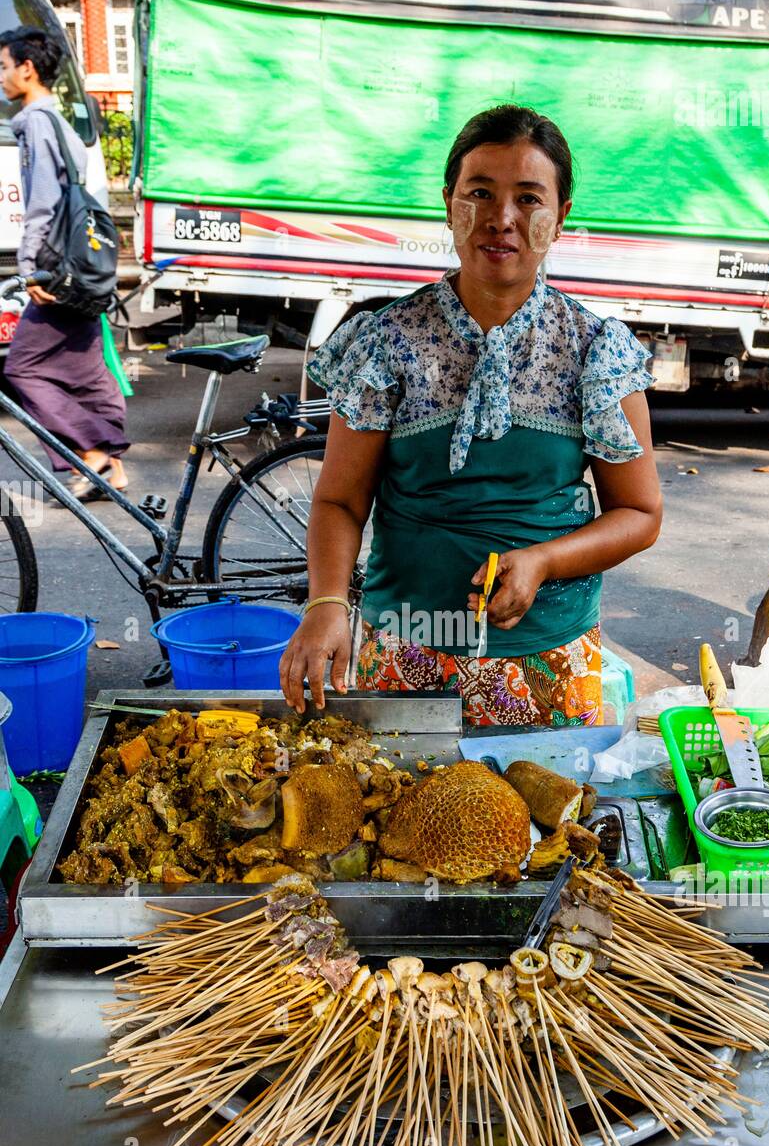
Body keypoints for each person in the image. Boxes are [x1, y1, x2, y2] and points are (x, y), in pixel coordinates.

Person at [280, 104, 662, 727]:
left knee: (554, 822)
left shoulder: (596, 350)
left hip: (548, 660)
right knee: (399, 816)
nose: (501, 218)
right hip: (405, 648)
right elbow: (339, 502)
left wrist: (543, 561)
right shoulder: (387, 341)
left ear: (559, 216)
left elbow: (639, 514)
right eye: (478, 193)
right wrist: (325, 603)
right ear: (449, 204)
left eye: (529, 198)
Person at [0, 25, 128, 499]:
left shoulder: (35, 121)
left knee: (22, 370)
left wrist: (29, 264)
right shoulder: (64, 121)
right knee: (87, 370)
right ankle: (111, 464)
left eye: (3, 67)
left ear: (27, 69)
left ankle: (91, 452)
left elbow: (42, 204)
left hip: (56, 269)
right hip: (85, 264)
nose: (1, 78)